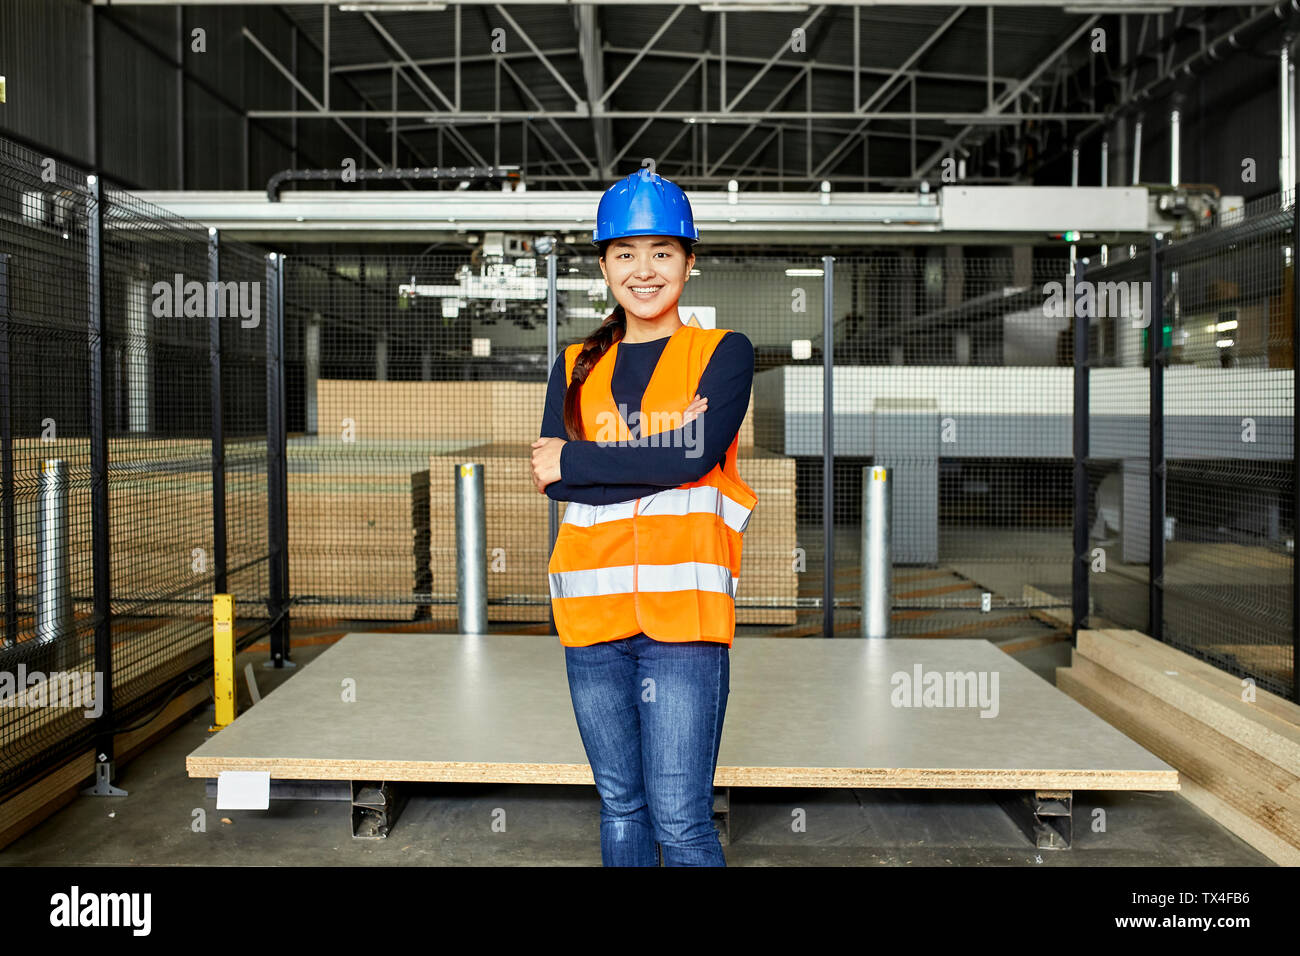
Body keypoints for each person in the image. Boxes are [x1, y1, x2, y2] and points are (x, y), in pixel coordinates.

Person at [530, 166, 757, 866]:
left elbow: (691, 463)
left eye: (662, 251)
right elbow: (554, 479)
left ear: (689, 262)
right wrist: (657, 453)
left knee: (682, 821)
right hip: (591, 625)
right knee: (621, 808)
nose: (644, 269)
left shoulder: (723, 353)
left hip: (683, 628)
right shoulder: (574, 365)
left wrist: (586, 458)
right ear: (603, 266)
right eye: (625, 253)